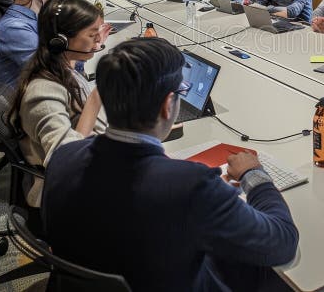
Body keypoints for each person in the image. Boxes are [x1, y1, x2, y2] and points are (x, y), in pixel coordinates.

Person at [42, 38, 299, 292]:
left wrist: (213, 199)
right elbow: (282, 242)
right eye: (182, 91)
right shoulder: (190, 186)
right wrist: (253, 175)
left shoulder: (64, 156)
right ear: (167, 104)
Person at [10, 0, 110, 207]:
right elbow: (68, 161)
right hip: (67, 197)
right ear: (61, 41)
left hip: (94, 163)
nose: (99, 41)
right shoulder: (43, 92)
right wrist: (96, 99)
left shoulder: (60, 68)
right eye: (92, 35)